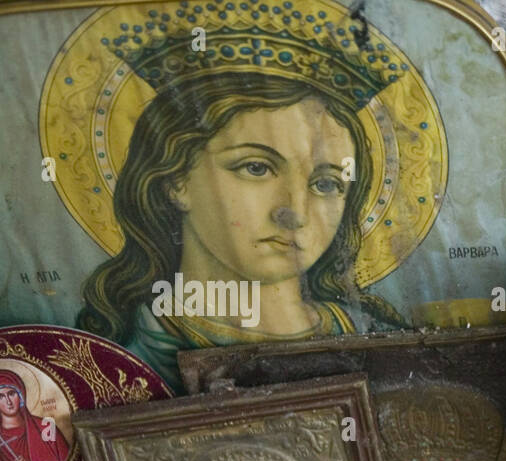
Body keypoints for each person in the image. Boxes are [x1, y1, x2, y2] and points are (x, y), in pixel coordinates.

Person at [77, 66, 405, 388]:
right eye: (256, 167)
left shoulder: (381, 342)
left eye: (325, 184)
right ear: (177, 179)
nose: (294, 212)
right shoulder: (115, 364)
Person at [0, 370, 70, 461]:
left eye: (12, 393)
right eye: (1, 396)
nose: (8, 402)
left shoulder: (45, 427)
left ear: (21, 395)